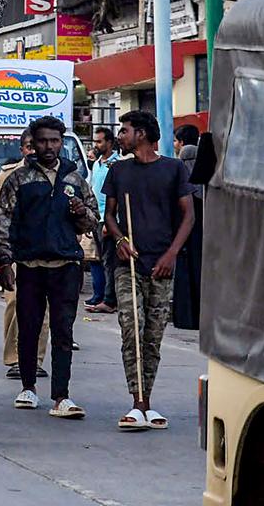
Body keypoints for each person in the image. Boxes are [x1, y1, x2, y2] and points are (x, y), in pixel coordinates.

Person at [0, 116, 99, 419]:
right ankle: (28, 387)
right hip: (29, 265)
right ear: (33, 144)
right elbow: (2, 221)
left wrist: (81, 213)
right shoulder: (19, 179)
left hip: (66, 266)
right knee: (29, 328)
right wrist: (4, 262)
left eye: (54, 141)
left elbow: (93, 220)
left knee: (63, 331)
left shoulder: (74, 179)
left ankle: (61, 396)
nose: (49, 146)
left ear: (61, 143)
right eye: (43, 141)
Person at [102, 110, 195, 432]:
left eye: (124, 131)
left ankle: (147, 401)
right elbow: (110, 214)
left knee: (152, 337)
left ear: (140, 134)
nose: (120, 136)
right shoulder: (118, 170)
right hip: (128, 264)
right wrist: (119, 239)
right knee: (132, 329)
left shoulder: (173, 169)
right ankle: (137, 402)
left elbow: (189, 216)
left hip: (161, 265)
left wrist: (171, 254)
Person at [0, 130, 48, 380]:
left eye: (37, 145)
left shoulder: (57, 175)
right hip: (15, 252)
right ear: (22, 149)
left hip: (46, 251)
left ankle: (35, 360)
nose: (33, 151)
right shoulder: (8, 175)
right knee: (16, 303)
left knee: (43, 308)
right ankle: (15, 358)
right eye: (28, 146)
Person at [84, 127, 121, 314]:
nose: (96, 145)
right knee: (97, 259)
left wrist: (109, 221)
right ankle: (100, 295)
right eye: (95, 141)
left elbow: (116, 195)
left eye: (99, 141)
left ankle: (109, 300)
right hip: (96, 217)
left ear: (109, 143)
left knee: (109, 261)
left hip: (109, 219)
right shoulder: (97, 164)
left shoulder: (117, 164)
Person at [171, 124, 203, 330]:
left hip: (184, 230)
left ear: (181, 142)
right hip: (202, 231)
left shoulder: (180, 165)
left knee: (184, 271)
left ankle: (185, 317)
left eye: (175, 140)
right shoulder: (206, 165)